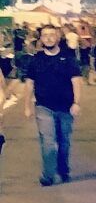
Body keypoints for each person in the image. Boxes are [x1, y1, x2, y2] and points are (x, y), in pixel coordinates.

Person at [24, 24, 83, 186]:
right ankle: (48, 174)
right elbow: (29, 84)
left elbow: (76, 81)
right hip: (44, 107)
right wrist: (27, 106)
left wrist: (76, 103)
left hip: (66, 107)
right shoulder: (36, 60)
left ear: (58, 37)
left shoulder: (68, 58)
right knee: (48, 141)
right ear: (41, 39)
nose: (49, 38)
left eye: (52, 35)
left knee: (64, 141)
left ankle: (63, 169)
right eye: (45, 35)